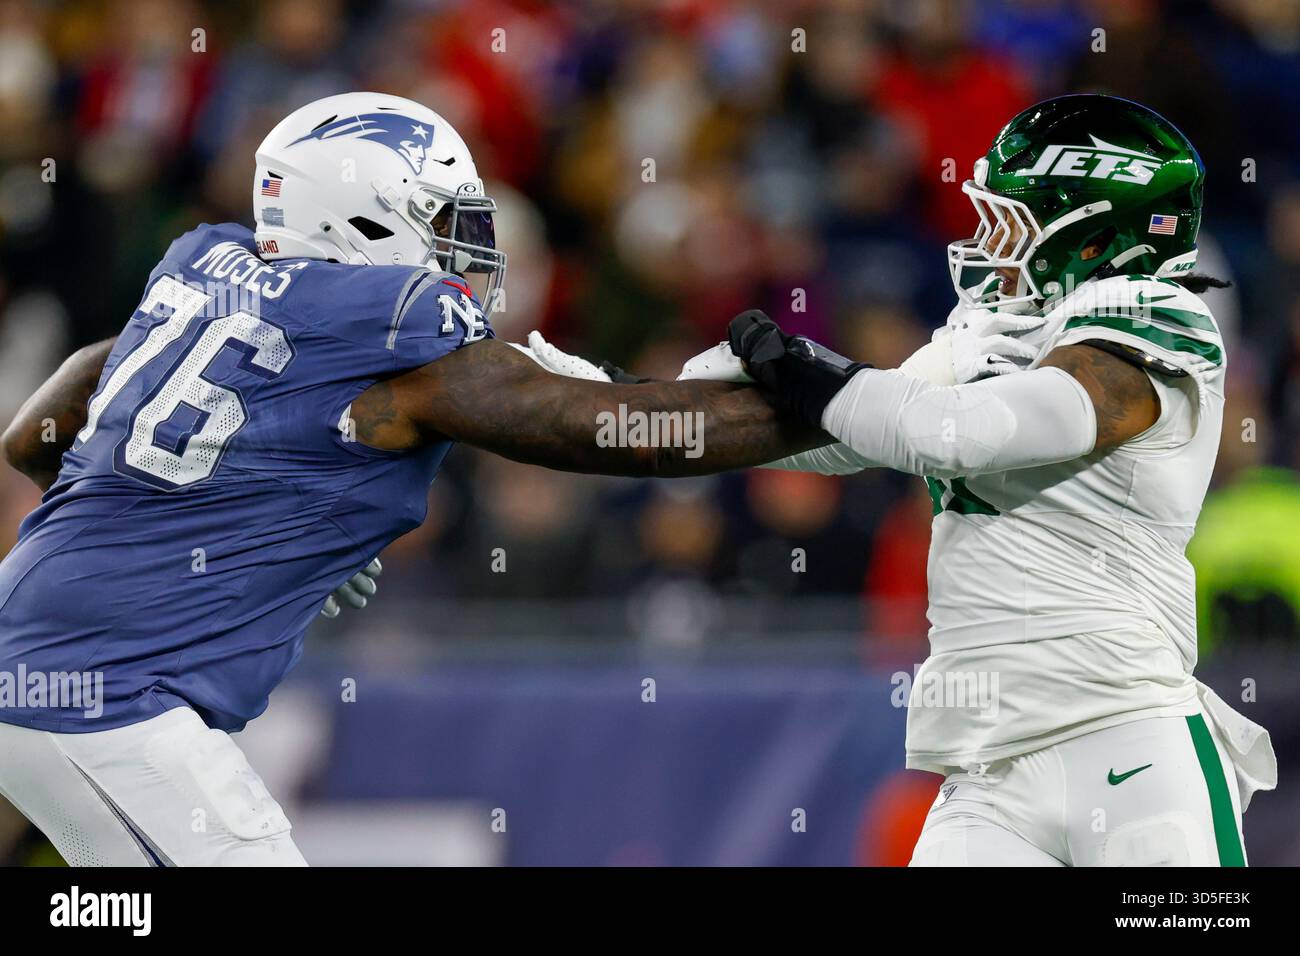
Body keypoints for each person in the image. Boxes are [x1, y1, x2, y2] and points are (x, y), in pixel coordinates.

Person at [0, 92, 833, 866]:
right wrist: (838, 401)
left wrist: (239, 523)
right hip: (107, 693)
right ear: (360, 214)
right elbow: (620, 435)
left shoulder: (209, 270)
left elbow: (46, 416)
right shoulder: (390, 327)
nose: (465, 244)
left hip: (45, 659)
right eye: (440, 217)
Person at [706, 94, 1277, 866]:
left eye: (1012, 218)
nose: (988, 241)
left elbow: (965, 431)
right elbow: (841, 437)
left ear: (1092, 228)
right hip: (989, 773)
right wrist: (659, 412)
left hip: (1130, 743)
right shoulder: (988, 328)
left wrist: (816, 375)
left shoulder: (1158, 314)